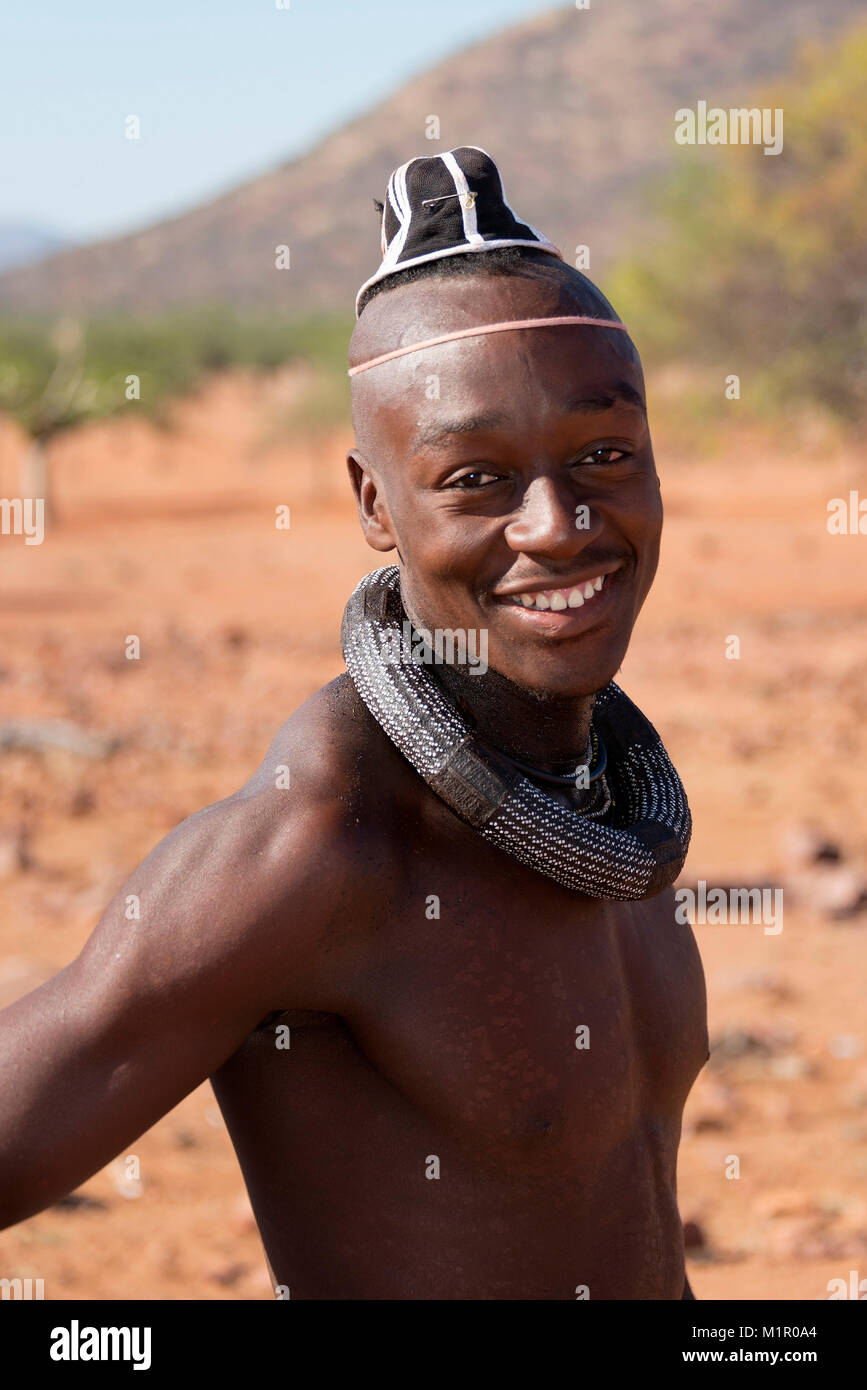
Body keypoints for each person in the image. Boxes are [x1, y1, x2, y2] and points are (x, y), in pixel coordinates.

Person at [0, 147, 708, 1300]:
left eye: (603, 455)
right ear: (375, 503)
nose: (560, 524)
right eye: (476, 478)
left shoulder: (608, 804)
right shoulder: (318, 850)